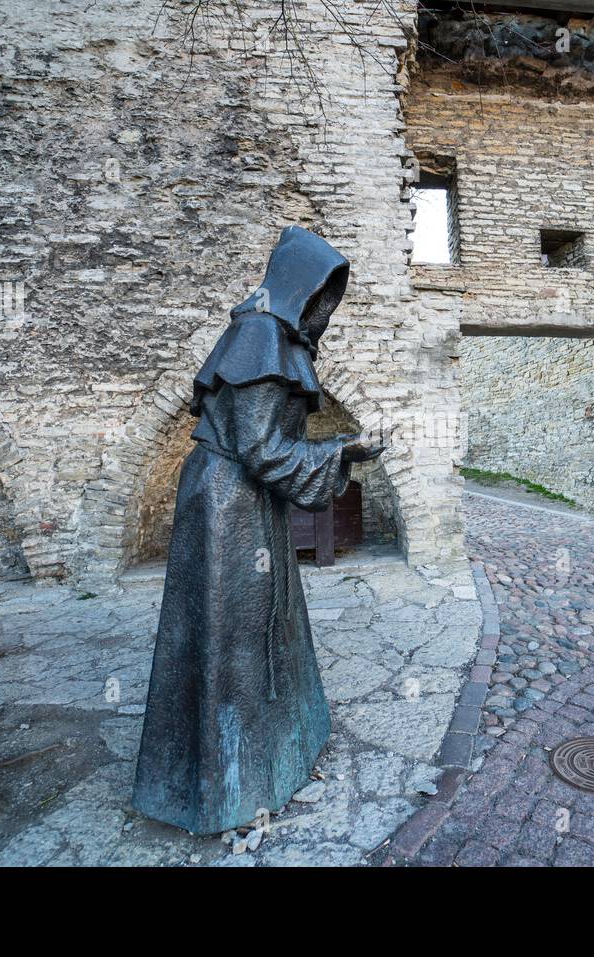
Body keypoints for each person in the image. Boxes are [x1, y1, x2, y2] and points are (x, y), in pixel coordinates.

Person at [133, 226, 384, 835]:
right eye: (323, 293)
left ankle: (270, 758)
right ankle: (229, 786)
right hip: (229, 503)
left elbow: (263, 449)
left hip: (242, 498)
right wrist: (345, 452)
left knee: (257, 625)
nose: (326, 308)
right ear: (301, 285)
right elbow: (261, 449)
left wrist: (335, 454)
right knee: (234, 633)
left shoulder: (271, 337)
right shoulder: (258, 335)